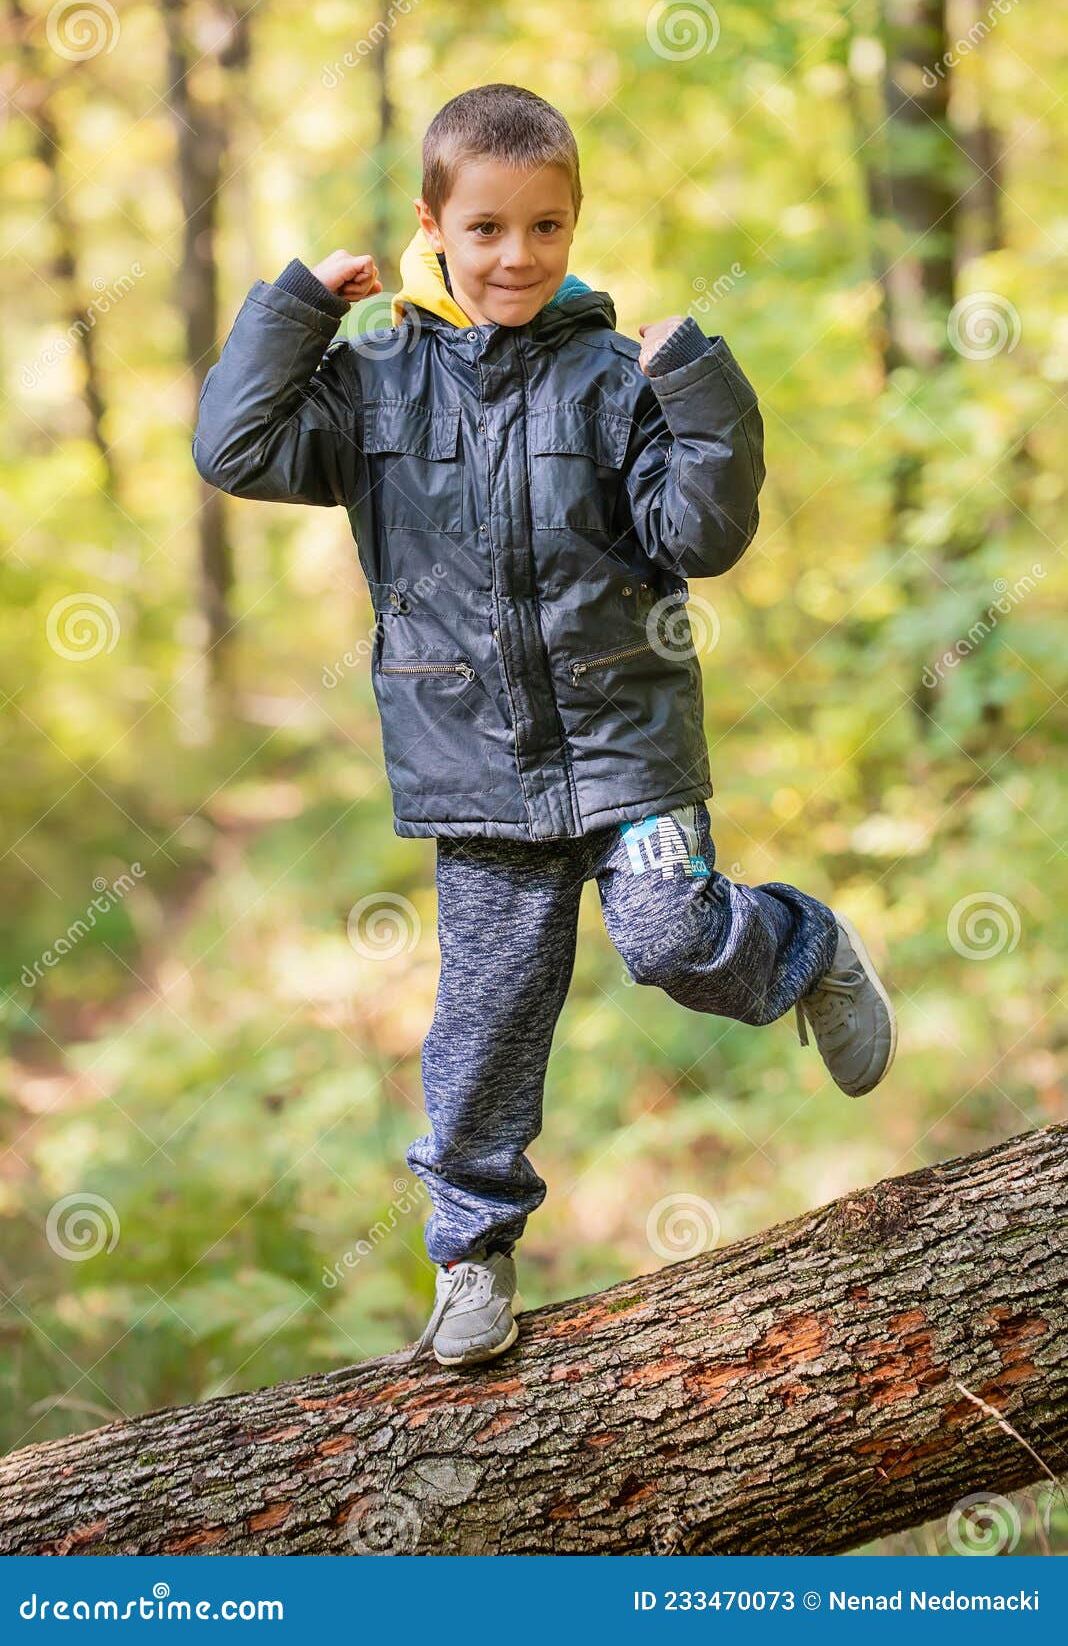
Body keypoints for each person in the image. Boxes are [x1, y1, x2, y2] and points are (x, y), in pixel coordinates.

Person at [192, 83, 896, 1373]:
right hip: (478, 772)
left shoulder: (613, 379)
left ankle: (807, 945)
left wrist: (702, 386)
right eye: (489, 229)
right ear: (433, 227)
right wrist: (296, 305)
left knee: (676, 937)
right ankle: (471, 1259)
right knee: (489, 1015)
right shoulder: (377, 385)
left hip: (630, 750)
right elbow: (236, 448)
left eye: (549, 228)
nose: (519, 256)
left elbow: (703, 535)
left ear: (576, 228)